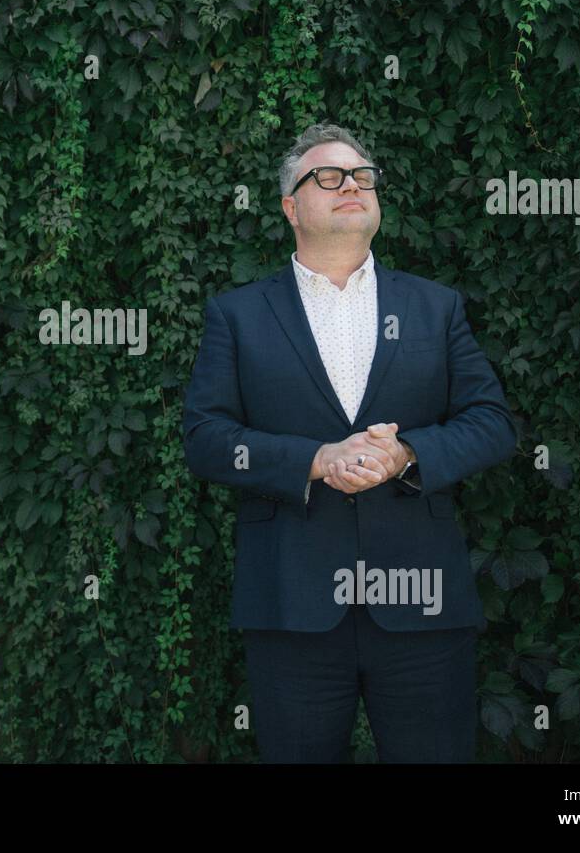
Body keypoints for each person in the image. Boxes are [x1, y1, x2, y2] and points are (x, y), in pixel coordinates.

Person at [181, 123, 517, 763]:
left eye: (363, 177)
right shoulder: (238, 314)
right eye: (328, 177)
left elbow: (492, 421)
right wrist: (314, 459)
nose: (351, 186)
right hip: (291, 606)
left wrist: (407, 453)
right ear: (290, 207)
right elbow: (206, 439)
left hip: (422, 601)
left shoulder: (435, 307)